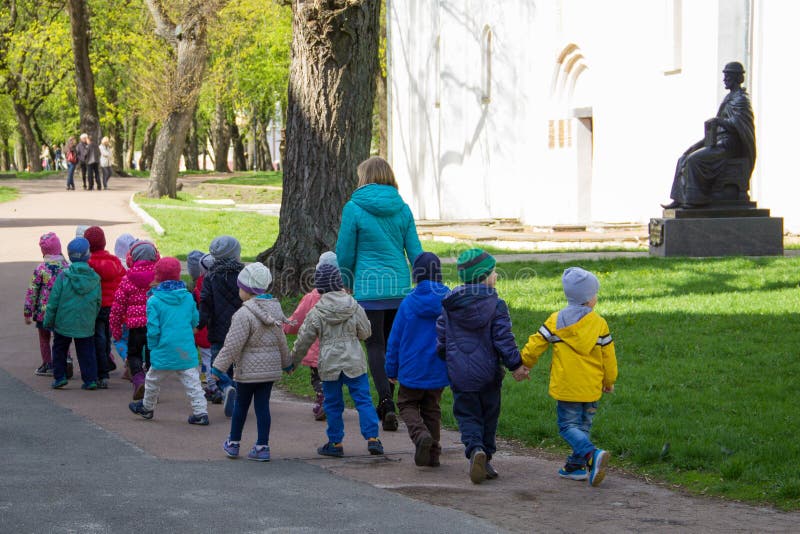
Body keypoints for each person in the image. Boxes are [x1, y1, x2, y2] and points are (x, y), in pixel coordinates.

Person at [336, 156, 423, 431]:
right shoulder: (403, 208)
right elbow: (416, 250)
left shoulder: (354, 207)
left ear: (365, 177)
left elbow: (345, 252)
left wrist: (345, 279)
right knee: (396, 344)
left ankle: (385, 401)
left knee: (375, 345)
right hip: (399, 288)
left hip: (369, 289)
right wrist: (423, 281)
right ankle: (398, 398)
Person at [436, 249, 529, 484]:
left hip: (459, 373)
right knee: (489, 416)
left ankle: (475, 449)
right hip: (488, 374)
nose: (496, 275)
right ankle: (486, 456)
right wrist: (516, 365)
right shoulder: (496, 305)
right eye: (493, 272)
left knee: (467, 415)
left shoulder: (450, 304)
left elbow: (442, 336)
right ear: (485, 276)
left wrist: (445, 356)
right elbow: (503, 339)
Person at [520, 267, 617, 487]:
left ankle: (591, 455)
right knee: (581, 427)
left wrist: (524, 362)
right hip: (591, 387)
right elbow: (608, 356)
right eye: (594, 294)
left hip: (567, 386)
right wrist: (608, 380)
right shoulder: (599, 324)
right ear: (587, 299)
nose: (596, 298)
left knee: (567, 426)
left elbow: (536, 344)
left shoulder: (556, 320)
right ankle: (575, 467)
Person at [288, 262, 384, 458]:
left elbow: (303, 340)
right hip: (354, 361)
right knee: (363, 400)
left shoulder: (317, 311)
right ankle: (373, 438)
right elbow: (366, 332)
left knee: (332, 404)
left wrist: (292, 362)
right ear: (340, 283)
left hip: (329, 363)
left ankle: (335, 442)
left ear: (320, 287)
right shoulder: (354, 305)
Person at [214, 263, 290, 461]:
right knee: (262, 407)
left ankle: (233, 443)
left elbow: (232, 345)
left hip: (248, 371)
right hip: (269, 371)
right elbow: (282, 340)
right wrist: (287, 362)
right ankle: (262, 446)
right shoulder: (276, 311)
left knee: (241, 406)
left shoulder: (243, 315)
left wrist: (218, 368)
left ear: (246, 290)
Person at [385, 252, 450, 467]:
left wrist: (391, 369)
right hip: (439, 366)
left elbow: (395, 339)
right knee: (432, 408)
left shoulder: (408, 303)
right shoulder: (449, 300)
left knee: (406, 404)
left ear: (416, 275)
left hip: (412, 368)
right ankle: (433, 454)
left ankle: (420, 435)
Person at [662, 61, 756, 209]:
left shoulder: (741, 100)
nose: (724, 79)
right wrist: (697, 145)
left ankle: (695, 200)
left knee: (694, 160)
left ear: (737, 78)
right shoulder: (729, 98)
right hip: (719, 142)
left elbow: (738, 125)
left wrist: (719, 121)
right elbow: (719, 127)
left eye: (728, 76)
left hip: (729, 146)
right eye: (724, 76)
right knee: (684, 157)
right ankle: (679, 198)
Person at [129, 257, 209, 425]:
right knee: (193, 382)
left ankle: (147, 407)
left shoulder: (154, 301)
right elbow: (195, 320)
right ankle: (200, 412)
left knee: (152, 380)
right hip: (185, 348)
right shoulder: (187, 297)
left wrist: (152, 347)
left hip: (163, 349)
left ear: (157, 276)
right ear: (178, 275)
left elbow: (153, 328)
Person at [282, 251, 339, 421]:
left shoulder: (311, 298)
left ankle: (323, 399)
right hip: (337, 350)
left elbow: (298, 320)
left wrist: (286, 328)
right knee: (334, 378)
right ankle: (333, 401)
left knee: (318, 379)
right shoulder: (344, 297)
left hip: (317, 351)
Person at [43, 237, 101, 390]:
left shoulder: (63, 276)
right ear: (88, 254)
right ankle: (90, 379)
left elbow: (53, 301)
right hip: (85, 321)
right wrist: (92, 316)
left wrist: (49, 320)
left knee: (60, 349)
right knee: (86, 351)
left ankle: (60, 377)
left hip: (64, 321)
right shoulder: (95, 278)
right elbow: (97, 302)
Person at [199, 236, 244, 413]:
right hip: (241, 328)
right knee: (237, 363)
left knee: (218, 363)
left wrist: (199, 324)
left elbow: (205, 303)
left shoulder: (211, 277)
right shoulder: (244, 275)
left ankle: (226, 387)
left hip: (218, 329)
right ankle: (236, 394)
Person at [110, 240, 160, 399]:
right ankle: (152, 389)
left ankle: (139, 381)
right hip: (156, 325)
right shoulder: (160, 278)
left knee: (134, 354)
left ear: (132, 258)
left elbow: (117, 306)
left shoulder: (127, 279)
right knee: (153, 357)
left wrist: (116, 329)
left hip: (135, 326)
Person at [84, 226, 126, 388]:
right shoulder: (114, 261)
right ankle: (106, 362)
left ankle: (102, 373)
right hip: (113, 306)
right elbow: (123, 280)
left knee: (97, 339)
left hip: (96, 307)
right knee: (106, 337)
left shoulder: (89, 264)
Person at [24, 232, 69, 376]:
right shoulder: (66, 267)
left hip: (43, 312)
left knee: (44, 338)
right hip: (62, 310)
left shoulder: (41, 268)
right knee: (61, 336)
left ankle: (48, 364)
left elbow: (33, 291)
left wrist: (27, 312)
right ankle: (66, 360)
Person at [187, 250, 214, 396]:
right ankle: (213, 382)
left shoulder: (197, 288)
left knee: (207, 358)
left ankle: (212, 386)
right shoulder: (217, 281)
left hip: (201, 329)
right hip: (217, 327)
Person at [111, 233, 136, 379]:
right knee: (134, 339)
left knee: (119, 339)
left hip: (120, 311)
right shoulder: (134, 266)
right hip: (136, 311)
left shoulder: (114, 265)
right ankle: (134, 365)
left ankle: (127, 359)